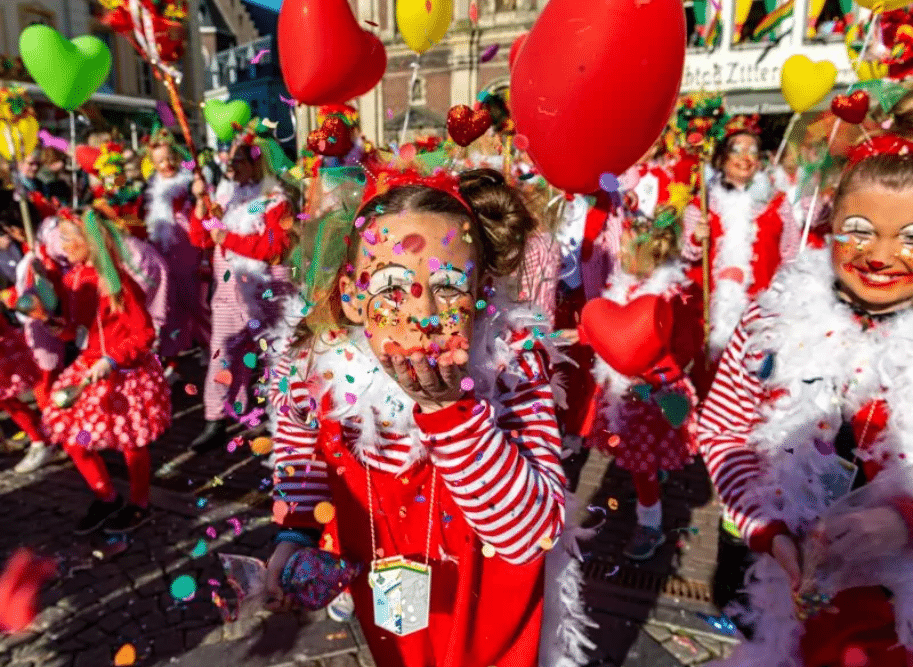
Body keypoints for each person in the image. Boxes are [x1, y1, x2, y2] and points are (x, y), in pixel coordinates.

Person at [263, 158, 577, 667]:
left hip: (487, 618)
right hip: (388, 601)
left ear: (480, 294)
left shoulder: (514, 369)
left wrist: (449, 412)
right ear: (352, 297)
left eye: (448, 285)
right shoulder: (317, 368)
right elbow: (300, 444)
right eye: (391, 287)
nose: (424, 313)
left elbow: (532, 535)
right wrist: (295, 531)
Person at [698, 150, 913, 667]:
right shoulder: (771, 321)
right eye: (860, 231)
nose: (880, 256)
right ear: (830, 225)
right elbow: (724, 430)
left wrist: (905, 522)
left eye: (909, 238)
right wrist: (768, 530)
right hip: (796, 601)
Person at [587, 180, 702, 561]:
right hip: (628, 392)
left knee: (644, 468)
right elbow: (610, 330)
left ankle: (650, 524)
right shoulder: (622, 287)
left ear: (644, 255)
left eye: (623, 249)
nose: (617, 255)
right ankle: (649, 498)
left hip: (654, 397)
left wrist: (655, 375)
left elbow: (684, 346)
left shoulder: (669, 296)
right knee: (639, 462)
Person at [40, 209, 170, 534]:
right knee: (76, 440)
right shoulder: (73, 279)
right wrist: (59, 328)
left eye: (68, 238)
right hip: (88, 370)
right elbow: (82, 332)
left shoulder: (117, 283)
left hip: (124, 373)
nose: (62, 245)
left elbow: (144, 334)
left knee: (131, 443)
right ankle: (106, 496)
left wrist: (112, 360)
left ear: (90, 242)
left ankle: (140, 503)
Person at [187, 125, 295, 452]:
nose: (230, 167)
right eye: (229, 161)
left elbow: (274, 248)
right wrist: (200, 205)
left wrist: (228, 238)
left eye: (238, 160)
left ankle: (280, 419)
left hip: (267, 293)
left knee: (276, 356)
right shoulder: (227, 197)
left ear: (256, 162)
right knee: (222, 354)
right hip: (228, 292)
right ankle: (215, 419)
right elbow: (201, 238)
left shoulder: (275, 201)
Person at [682, 116, 800, 375]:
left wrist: (783, 298)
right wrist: (696, 238)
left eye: (753, 151)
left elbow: (791, 255)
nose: (746, 158)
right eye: (737, 150)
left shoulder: (777, 204)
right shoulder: (702, 205)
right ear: (722, 158)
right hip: (711, 316)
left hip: (761, 314)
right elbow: (686, 255)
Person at [144, 131, 211, 375]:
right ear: (153, 164)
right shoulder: (151, 188)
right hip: (163, 251)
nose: (167, 164)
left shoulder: (187, 183)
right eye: (160, 161)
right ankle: (172, 356)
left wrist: (200, 190)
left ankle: (209, 344)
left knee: (196, 302)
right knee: (169, 304)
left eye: (170, 158)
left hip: (188, 247)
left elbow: (202, 212)